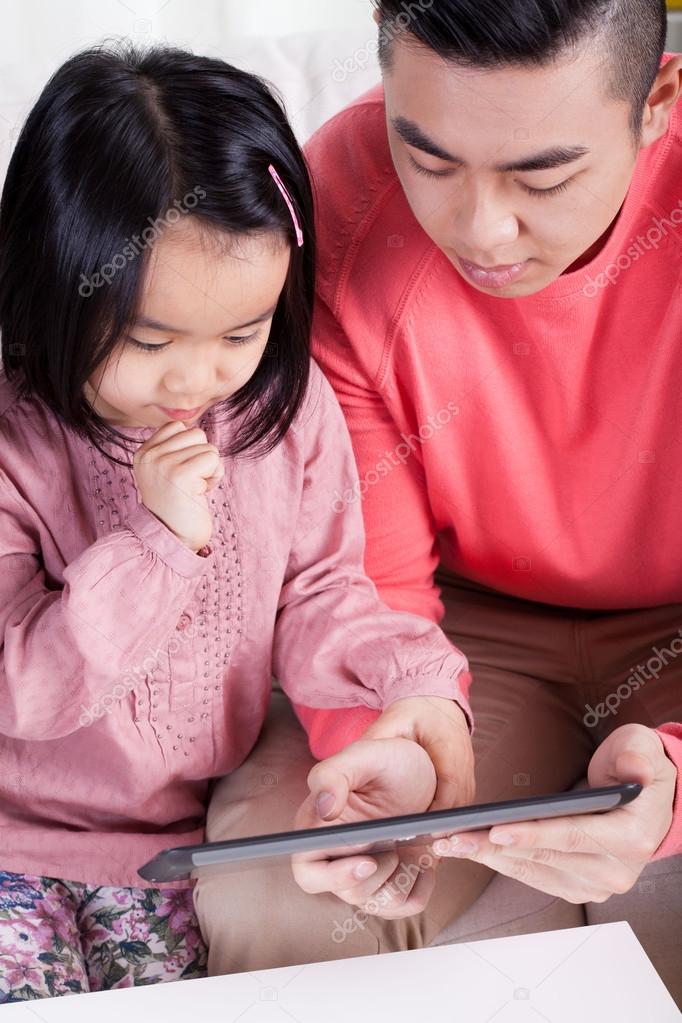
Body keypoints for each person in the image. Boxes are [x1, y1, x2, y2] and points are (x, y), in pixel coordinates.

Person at [199, 0, 682, 1002]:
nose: (478, 229)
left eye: (541, 174)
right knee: (274, 893)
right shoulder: (331, 193)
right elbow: (365, 575)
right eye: (428, 157)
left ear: (655, 106)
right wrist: (408, 734)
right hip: (460, 631)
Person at [0, 42, 477, 1001]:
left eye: (242, 332)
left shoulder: (280, 415)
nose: (198, 380)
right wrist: (158, 546)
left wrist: (417, 682)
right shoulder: (18, 437)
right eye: (149, 339)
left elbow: (320, 595)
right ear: (55, 285)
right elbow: (27, 693)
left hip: (167, 846)